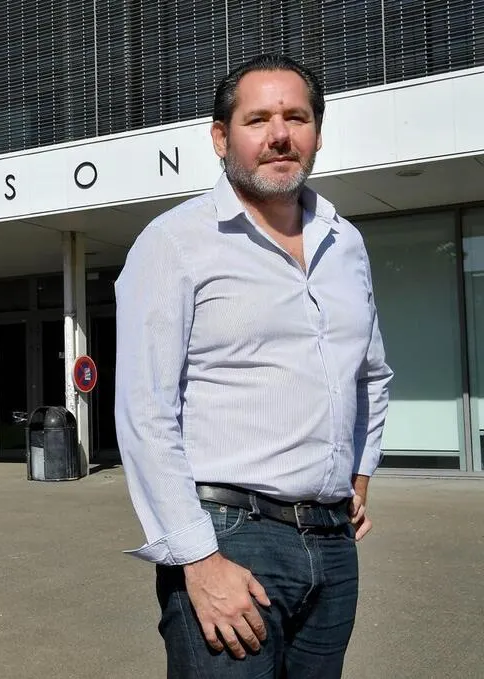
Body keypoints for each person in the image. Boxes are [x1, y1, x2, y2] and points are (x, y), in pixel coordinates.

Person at [114, 53, 392, 679]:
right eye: (258, 119)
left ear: (317, 133)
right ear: (221, 138)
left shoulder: (346, 243)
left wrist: (359, 472)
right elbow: (144, 411)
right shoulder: (174, 241)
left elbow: (371, 374)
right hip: (230, 539)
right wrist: (198, 559)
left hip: (334, 544)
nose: (279, 135)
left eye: (296, 117)